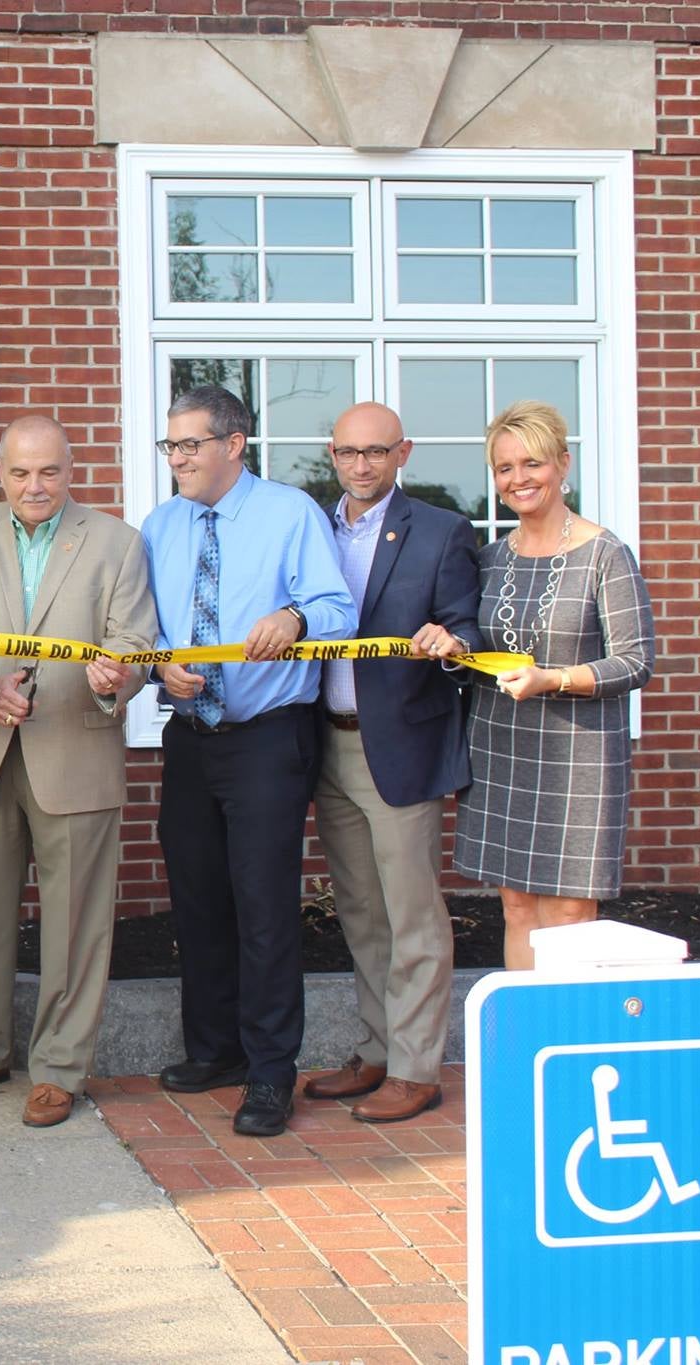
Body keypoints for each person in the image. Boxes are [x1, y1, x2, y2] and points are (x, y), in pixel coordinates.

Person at [0, 415, 158, 1129]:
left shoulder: (118, 543)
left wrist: (112, 676)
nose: (36, 485)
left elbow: (135, 644)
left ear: (71, 469)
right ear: (0, 471)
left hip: (77, 750)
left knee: (74, 923)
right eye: (21, 472)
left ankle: (59, 1066)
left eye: (49, 471)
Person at [143, 384, 356, 1139]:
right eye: (170, 446)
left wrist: (294, 617)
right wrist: (157, 668)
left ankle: (270, 1073)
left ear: (234, 444)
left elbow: (338, 610)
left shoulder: (290, 513)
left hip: (268, 734)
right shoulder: (160, 526)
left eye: (189, 445)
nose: (177, 459)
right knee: (197, 899)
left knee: (264, 907)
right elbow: (144, 639)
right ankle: (217, 1051)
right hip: (189, 737)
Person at [419, 400, 654, 969]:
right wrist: (455, 650)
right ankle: (526, 1054)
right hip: (502, 746)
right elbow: (479, 647)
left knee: (571, 916)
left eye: (532, 464)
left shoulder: (606, 554)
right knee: (517, 906)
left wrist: (555, 678)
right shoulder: (490, 558)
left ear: (563, 464)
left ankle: (569, 1050)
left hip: (579, 755)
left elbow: (636, 660)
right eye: (504, 468)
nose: (518, 479)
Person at [300, 402, 479, 1124]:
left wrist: (452, 637)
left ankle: (415, 1066)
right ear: (332, 455)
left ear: (402, 452)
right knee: (361, 912)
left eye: (376, 451)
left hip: (399, 743)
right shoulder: (311, 525)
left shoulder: (441, 530)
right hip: (325, 739)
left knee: (412, 915)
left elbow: (466, 625)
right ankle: (376, 1049)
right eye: (348, 452)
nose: (362, 465)